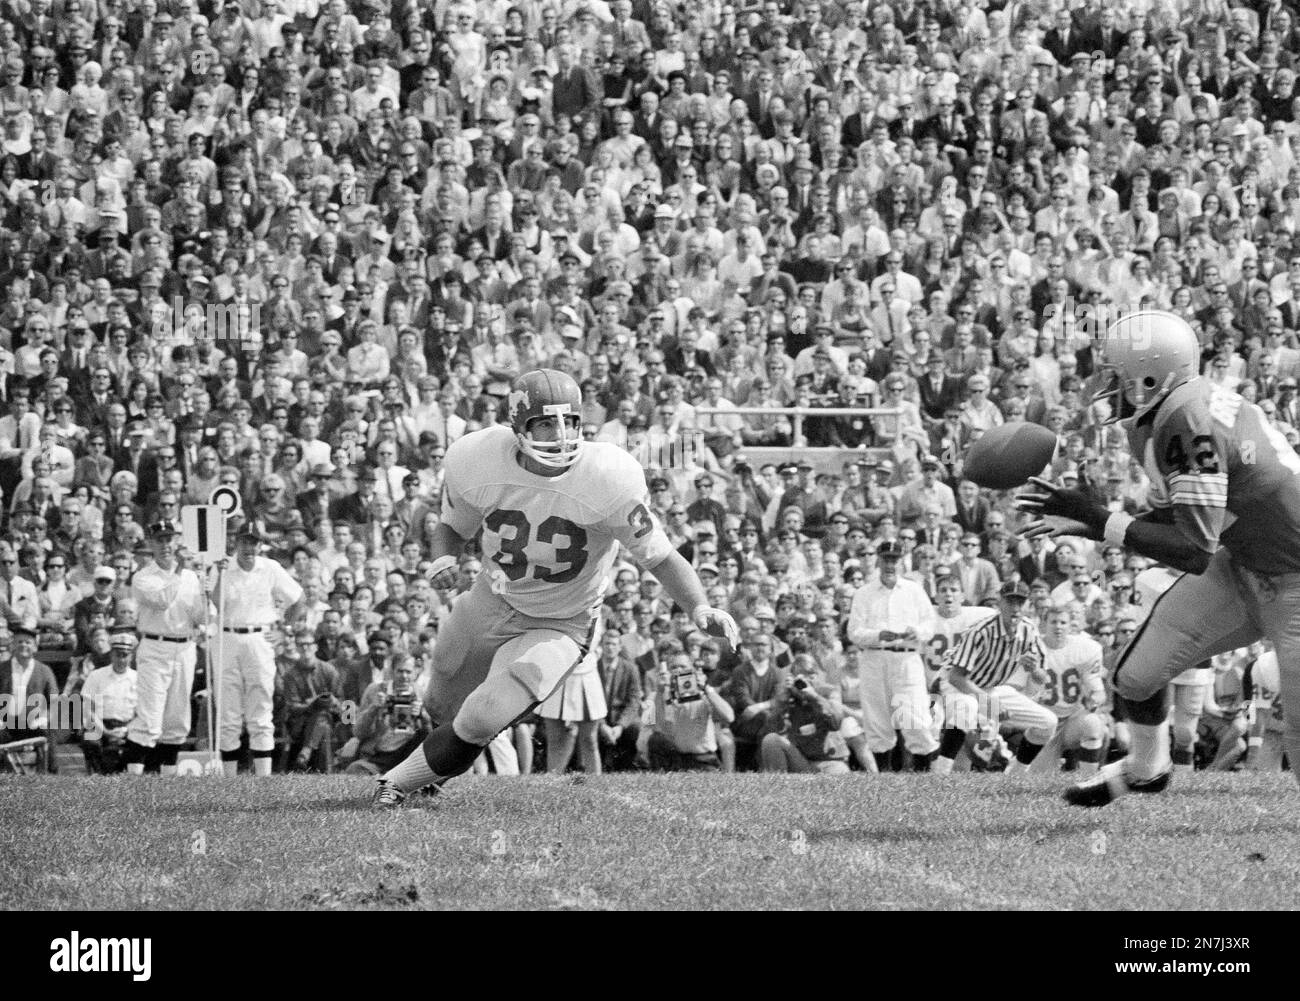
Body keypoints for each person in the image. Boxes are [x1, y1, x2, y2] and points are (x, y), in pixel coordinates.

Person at [372, 370, 737, 806]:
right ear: (517, 426)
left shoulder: (608, 475)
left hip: (561, 622)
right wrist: (443, 559)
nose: (561, 434)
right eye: (546, 423)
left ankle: (392, 786)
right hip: (489, 600)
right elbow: (452, 526)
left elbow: (661, 556)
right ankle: (424, 777)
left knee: (483, 715)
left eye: (570, 422)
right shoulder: (477, 458)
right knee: (439, 705)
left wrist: (699, 608)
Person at [1018, 310, 1300, 806]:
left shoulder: (1187, 419)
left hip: (1295, 579)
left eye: (1117, 376)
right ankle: (1148, 768)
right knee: (1136, 675)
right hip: (1243, 562)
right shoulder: (1171, 411)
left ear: (1151, 377)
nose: (1108, 386)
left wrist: (1103, 520)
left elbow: (1193, 550)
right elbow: (1191, 517)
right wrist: (1097, 522)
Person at [215, 524, 305, 777]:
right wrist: (220, 573)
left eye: (254, 543)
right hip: (227, 636)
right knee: (228, 708)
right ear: (235, 542)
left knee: (261, 706)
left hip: (259, 638)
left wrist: (284, 629)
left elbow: (298, 599)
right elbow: (214, 603)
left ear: (260, 545)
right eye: (244, 541)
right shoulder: (223, 566)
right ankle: (228, 777)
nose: (249, 548)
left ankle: (263, 776)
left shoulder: (270, 568)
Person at [122, 520, 207, 777]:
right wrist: (181, 570)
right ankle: (133, 779)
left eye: (169, 539)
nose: (165, 545)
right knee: (149, 719)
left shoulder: (192, 576)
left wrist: (207, 596)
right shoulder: (143, 576)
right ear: (150, 543)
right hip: (155, 646)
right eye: (159, 539)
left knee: (177, 720)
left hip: (184, 648)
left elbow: (200, 617)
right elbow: (162, 600)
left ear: (177, 541)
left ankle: (168, 781)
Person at [945, 580, 1056, 774]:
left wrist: (1034, 669)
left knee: (1048, 722)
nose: (1015, 608)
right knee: (967, 708)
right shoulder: (982, 630)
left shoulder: (1029, 630)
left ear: (1028, 604)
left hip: (990, 687)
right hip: (955, 685)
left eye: (1020, 603)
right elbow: (956, 677)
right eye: (1010, 602)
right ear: (1000, 602)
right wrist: (988, 702)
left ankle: (1017, 773)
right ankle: (940, 772)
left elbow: (1043, 678)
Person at [847, 539, 938, 771]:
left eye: (894, 560)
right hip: (874, 658)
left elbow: (930, 624)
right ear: (878, 560)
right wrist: (879, 635)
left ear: (901, 562)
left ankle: (923, 777)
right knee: (877, 719)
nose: (890, 565)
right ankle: (884, 779)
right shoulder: (864, 593)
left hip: (906, 657)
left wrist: (915, 631)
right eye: (886, 559)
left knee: (915, 717)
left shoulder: (914, 590)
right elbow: (854, 632)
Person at [1024, 606, 1108, 776]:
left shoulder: (1085, 648)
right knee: (1034, 779)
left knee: (1093, 724)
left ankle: (1088, 780)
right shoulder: (1032, 649)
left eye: (1063, 622)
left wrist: (1094, 699)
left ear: (1070, 625)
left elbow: (1098, 691)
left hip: (1072, 720)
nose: (1058, 626)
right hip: (1043, 725)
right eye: (1053, 622)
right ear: (1043, 624)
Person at [646, 645, 735, 771]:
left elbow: (729, 716)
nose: (678, 670)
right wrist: (660, 692)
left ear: (692, 669)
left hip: (703, 758)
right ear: (668, 672)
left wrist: (706, 688)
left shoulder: (705, 693)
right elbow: (654, 726)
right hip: (676, 758)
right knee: (654, 740)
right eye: (674, 667)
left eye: (683, 667)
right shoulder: (658, 695)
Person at [0, 624, 60, 772]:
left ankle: (51, 776)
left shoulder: (44, 671)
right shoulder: (2, 669)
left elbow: (54, 701)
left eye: (28, 642)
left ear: (35, 647)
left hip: (34, 723)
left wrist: (44, 718)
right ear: (12, 645)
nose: (23, 645)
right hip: (6, 723)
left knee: (48, 732)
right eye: (19, 642)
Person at [79, 631, 138, 774]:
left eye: (125, 655)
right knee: (90, 739)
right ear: (111, 654)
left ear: (131, 656)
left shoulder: (139, 678)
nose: (121, 659)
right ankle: (99, 775)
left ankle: (128, 775)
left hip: (128, 726)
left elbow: (141, 712)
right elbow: (87, 709)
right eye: (118, 654)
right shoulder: (96, 676)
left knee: (143, 741)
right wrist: (105, 731)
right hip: (99, 724)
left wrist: (125, 730)